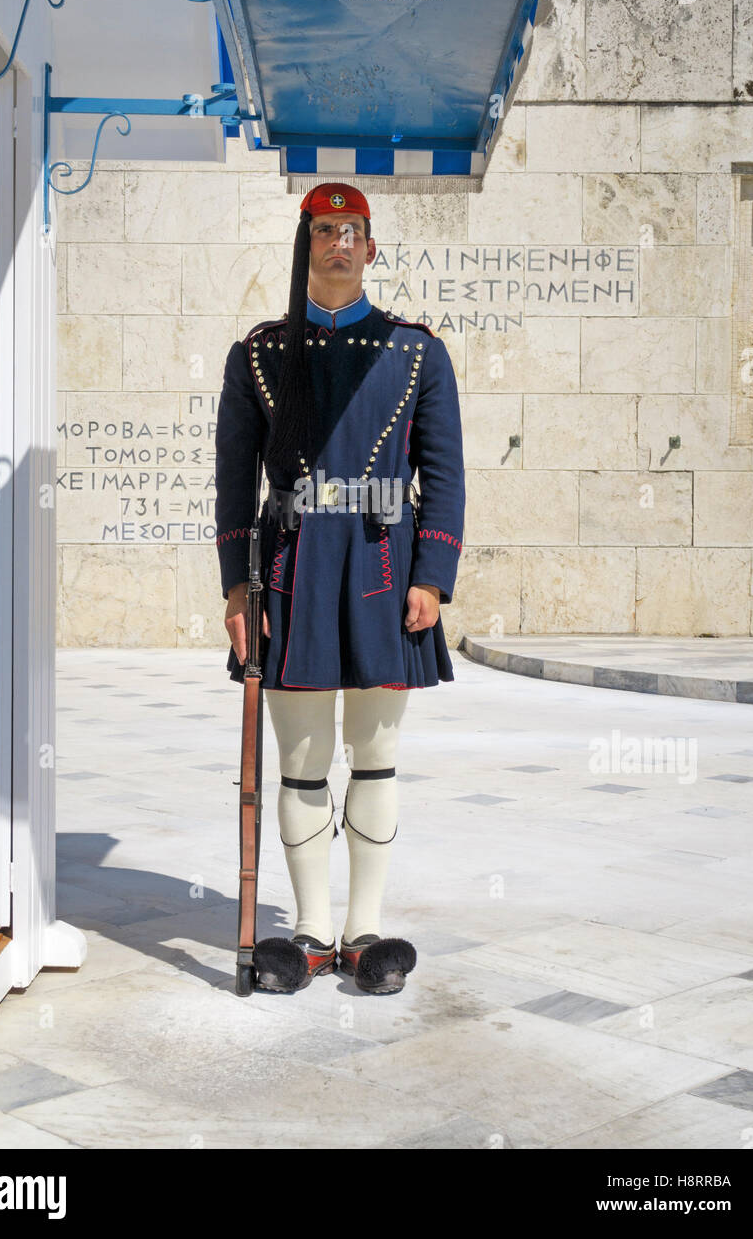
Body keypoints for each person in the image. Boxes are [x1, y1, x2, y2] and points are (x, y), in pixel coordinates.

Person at [214, 182, 465, 994]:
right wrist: (236, 590)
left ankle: (366, 928)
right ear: (307, 244)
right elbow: (232, 485)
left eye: (353, 231)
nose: (340, 244)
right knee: (302, 759)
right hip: (290, 567)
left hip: (383, 570)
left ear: (372, 247)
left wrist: (433, 577)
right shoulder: (257, 352)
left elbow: (446, 475)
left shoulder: (416, 352)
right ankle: (312, 930)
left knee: (379, 756)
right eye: (326, 230)